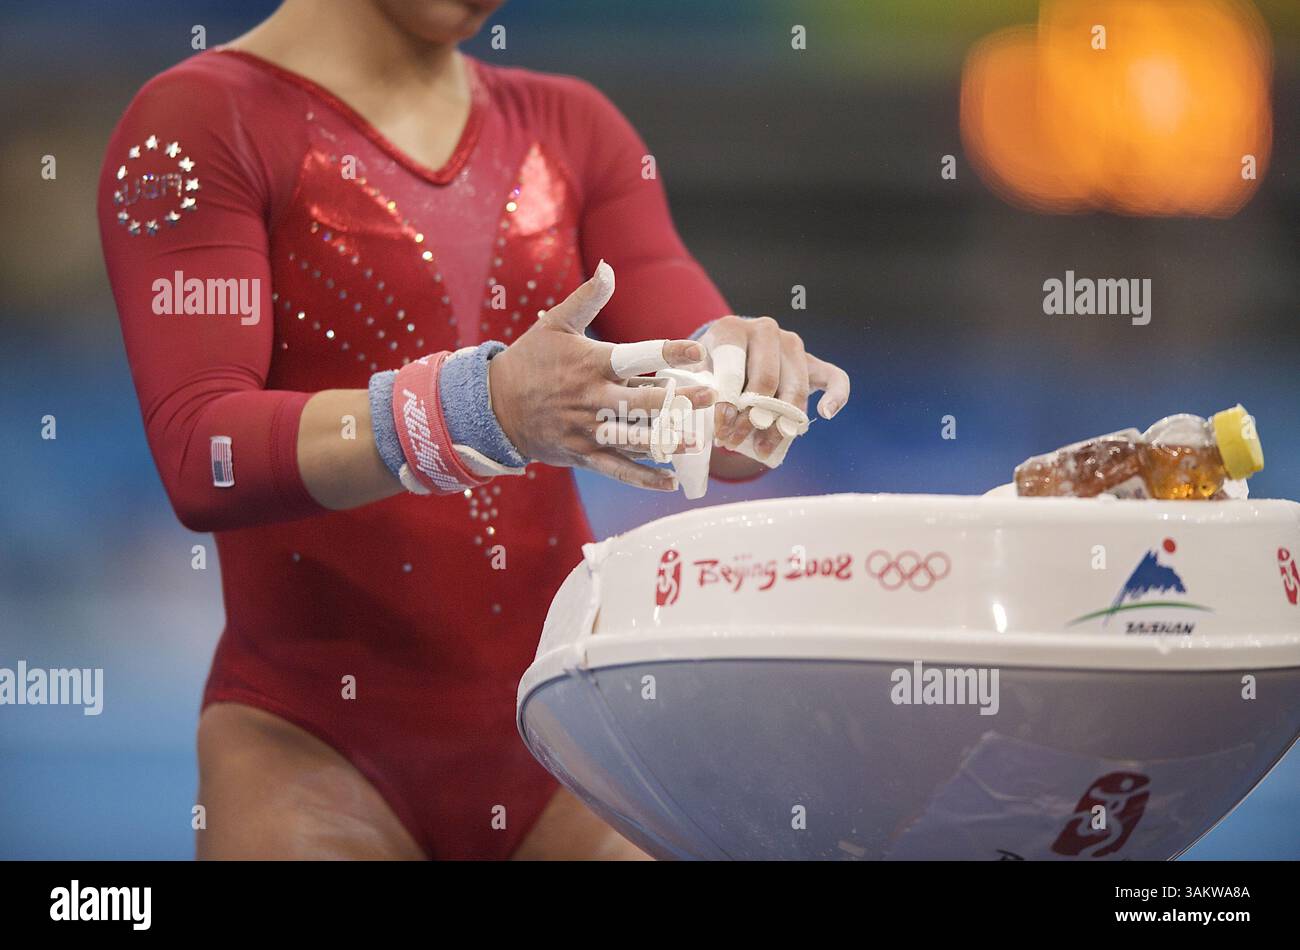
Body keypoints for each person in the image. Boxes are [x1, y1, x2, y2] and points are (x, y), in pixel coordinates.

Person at [98, 0, 850, 859]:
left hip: (562, 736)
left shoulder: (573, 126)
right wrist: (480, 409)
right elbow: (202, 452)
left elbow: (717, 435)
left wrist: (744, 383)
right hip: (309, 749)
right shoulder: (200, 120)